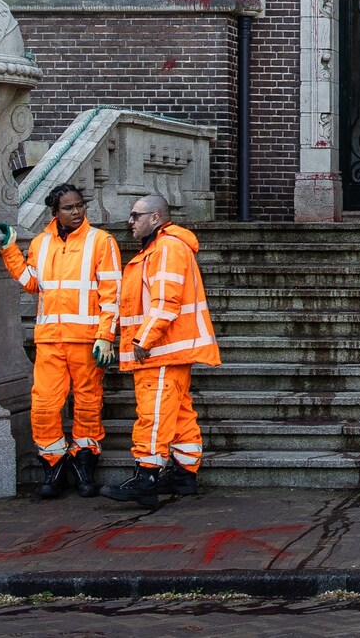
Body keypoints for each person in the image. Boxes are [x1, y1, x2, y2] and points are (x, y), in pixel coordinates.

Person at [0, 182, 121, 498]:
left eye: (80, 205)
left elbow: (112, 295)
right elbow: (31, 283)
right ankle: (54, 465)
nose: (77, 211)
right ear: (55, 212)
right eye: (69, 207)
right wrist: (10, 249)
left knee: (88, 405)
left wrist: (106, 336)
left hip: (86, 340)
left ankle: (84, 467)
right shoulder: (40, 243)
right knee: (43, 405)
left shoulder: (101, 242)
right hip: (51, 341)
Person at [100, 194, 218, 506]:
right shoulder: (162, 248)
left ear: (155, 218)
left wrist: (143, 340)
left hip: (161, 350)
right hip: (167, 348)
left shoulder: (166, 247)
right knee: (177, 414)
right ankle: (183, 473)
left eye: (136, 215)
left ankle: (147, 476)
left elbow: (166, 301)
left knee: (153, 413)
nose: (130, 221)